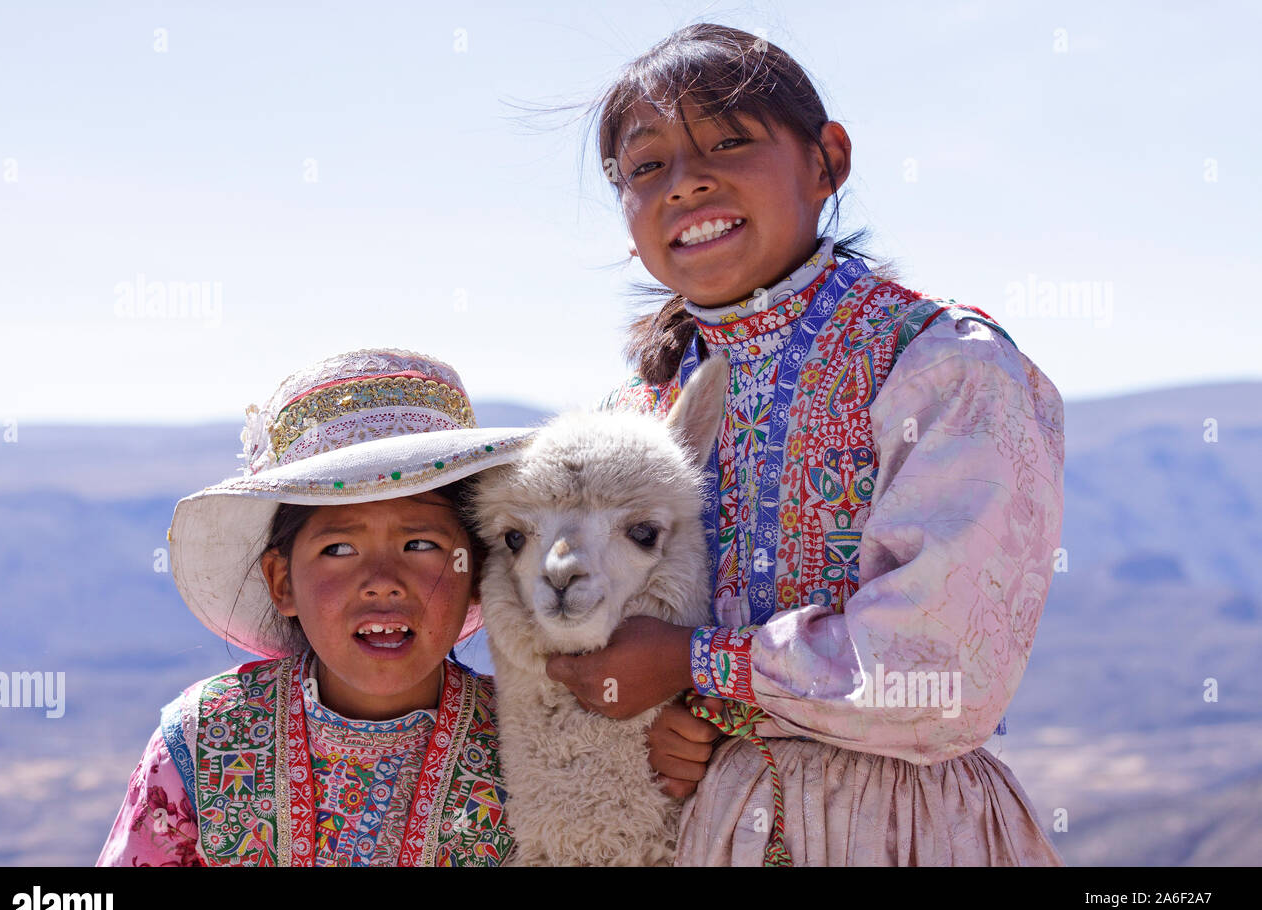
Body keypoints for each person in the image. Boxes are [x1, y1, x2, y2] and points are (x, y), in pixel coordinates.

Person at [546, 23, 1066, 865]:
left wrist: (694, 667)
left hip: (907, 832)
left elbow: (941, 676)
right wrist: (649, 728)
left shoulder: (946, 367)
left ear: (826, 161)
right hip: (704, 835)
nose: (686, 183)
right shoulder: (633, 417)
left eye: (728, 141)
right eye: (647, 167)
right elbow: (580, 657)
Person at [96, 347, 699, 866]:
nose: (382, 581)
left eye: (420, 545)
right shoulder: (206, 740)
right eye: (338, 548)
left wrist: (639, 745)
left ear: (474, 572)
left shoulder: (529, 748)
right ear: (282, 582)